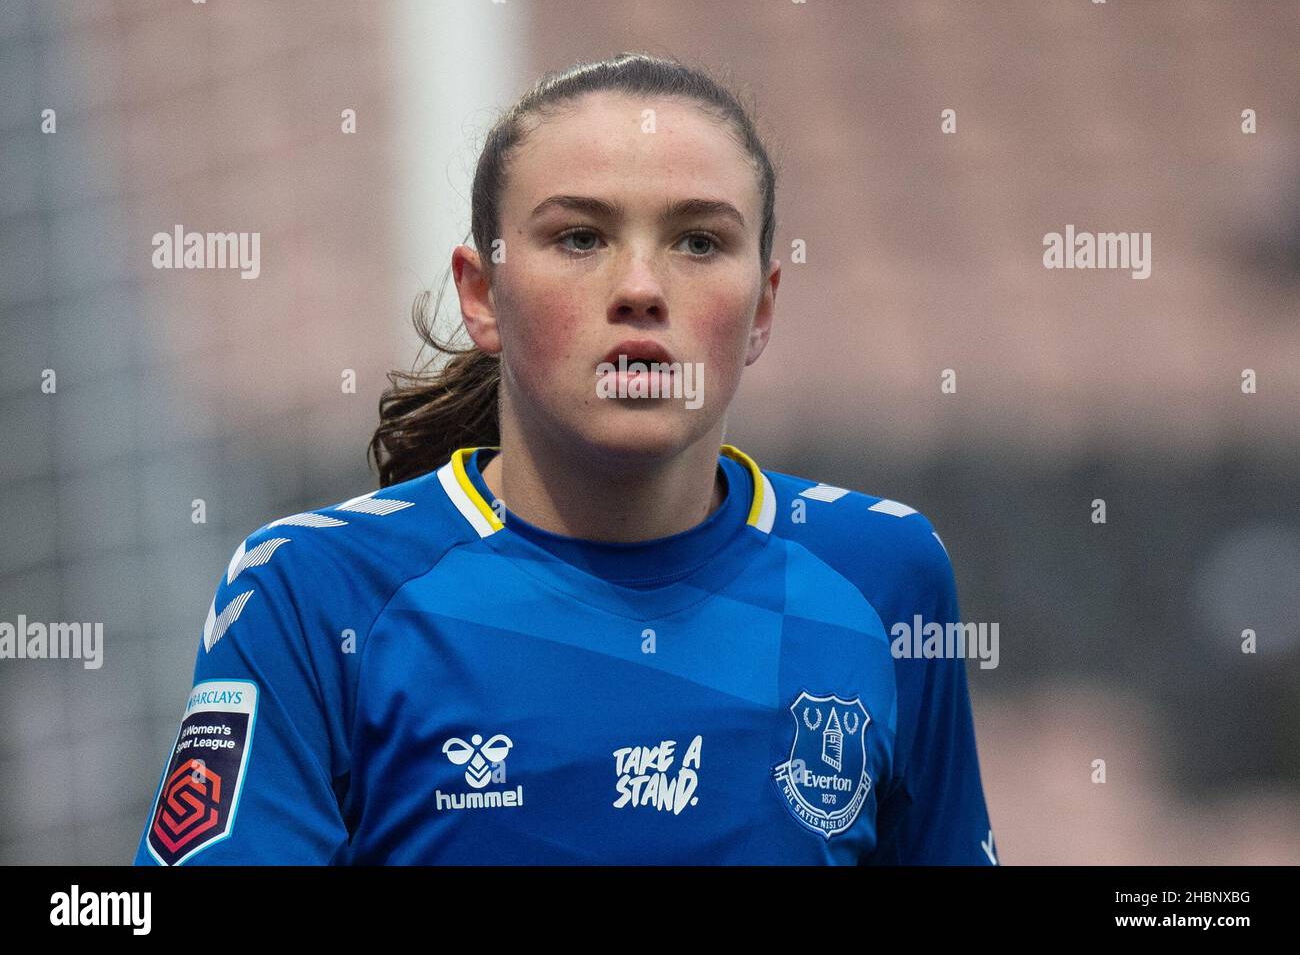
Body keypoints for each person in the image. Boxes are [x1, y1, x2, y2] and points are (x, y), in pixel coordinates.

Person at [133, 52, 996, 866]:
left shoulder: (884, 577)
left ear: (763, 307)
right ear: (482, 295)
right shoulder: (310, 594)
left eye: (700, 242)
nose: (641, 288)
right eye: (580, 238)